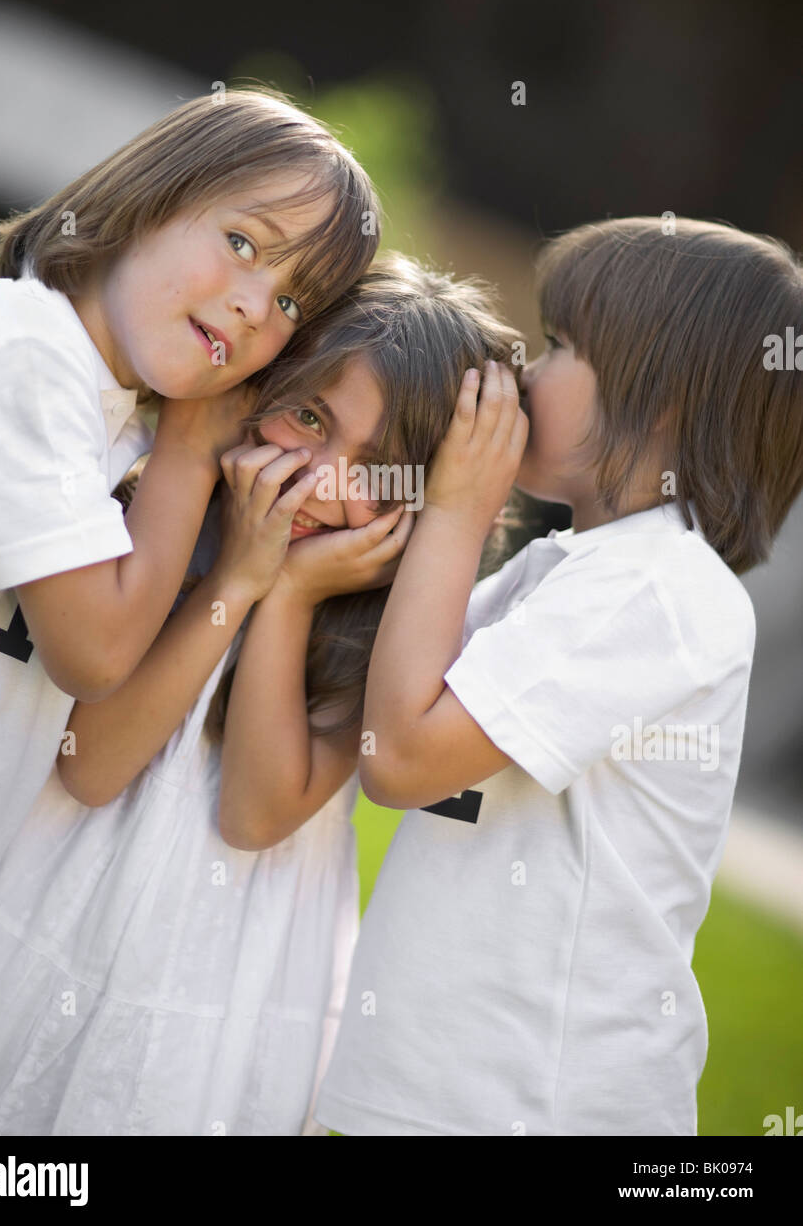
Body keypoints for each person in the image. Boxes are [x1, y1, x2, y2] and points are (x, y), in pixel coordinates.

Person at [0, 254, 521, 1135]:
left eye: (379, 467)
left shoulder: (392, 631)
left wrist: (286, 596)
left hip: (219, 975)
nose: (321, 482)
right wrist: (238, 580)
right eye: (311, 417)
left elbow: (254, 815)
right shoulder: (160, 520)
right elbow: (90, 767)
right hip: (57, 913)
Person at [315, 217, 803, 1136]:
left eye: (560, 346)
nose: (527, 375)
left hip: (536, 1102)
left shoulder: (654, 587)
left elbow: (403, 756)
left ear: (659, 398)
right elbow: (382, 683)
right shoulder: (576, 569)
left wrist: (459, 512)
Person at [0, 88, 378, 972]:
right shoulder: (19, 354)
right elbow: (95, 653)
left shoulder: (113, 416)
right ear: (151, 197)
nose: (258, 306)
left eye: (294, 304)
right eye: (244, 244)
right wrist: (187, 454)